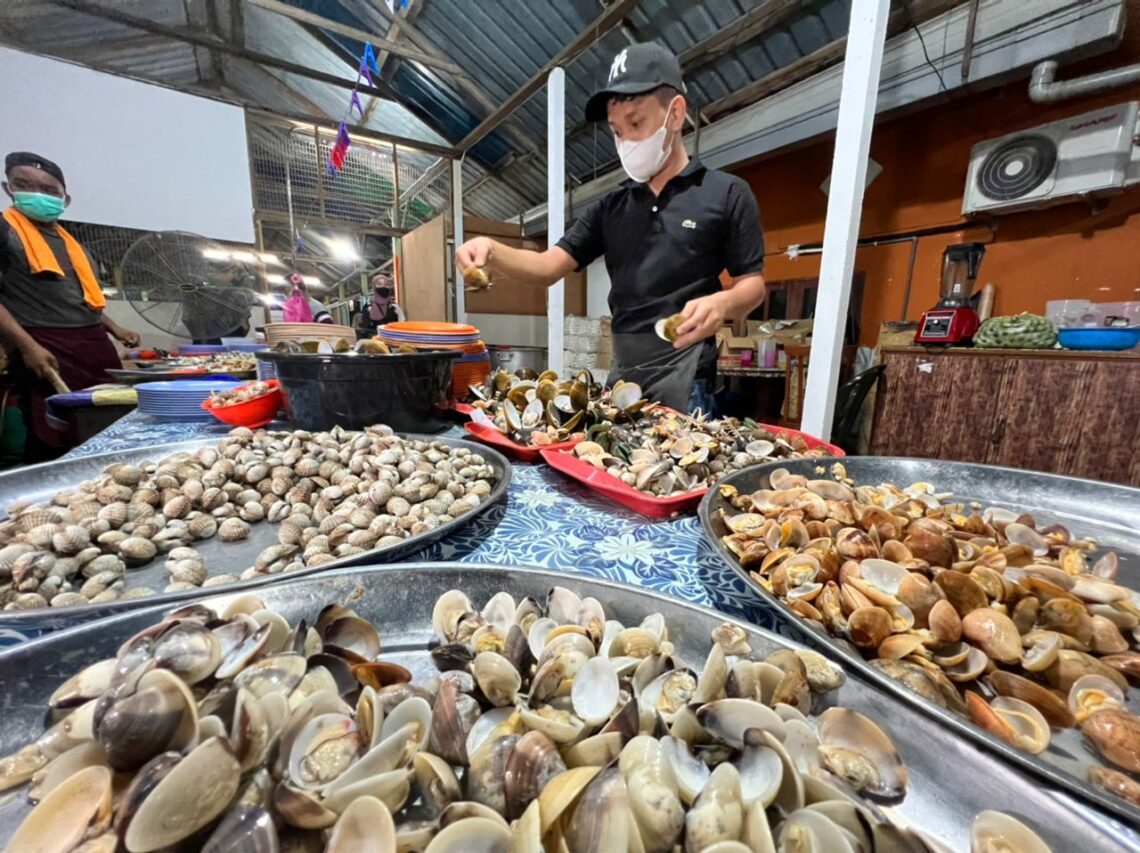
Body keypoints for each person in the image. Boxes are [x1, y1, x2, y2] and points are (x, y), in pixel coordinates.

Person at [456, 43, 766, 412]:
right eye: (617, 131)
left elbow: (754, 285)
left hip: (689, 375)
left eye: (636, 123)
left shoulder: (725, 192)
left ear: (676, 113)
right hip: (623, 371)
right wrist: (491, 248)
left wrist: (724, 301)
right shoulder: (611, 206)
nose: (626, 142)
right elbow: (548, 266)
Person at [0, 151, 139, 458]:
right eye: (26, 185)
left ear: (66, 199)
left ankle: (112, 468)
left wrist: (114, 327)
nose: (39, 196)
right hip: (45, 343)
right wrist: (26, 346)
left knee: (111, 415)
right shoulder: (5, 232)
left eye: (50, 191)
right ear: (8, 188)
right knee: (54, 426)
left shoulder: (73, 244)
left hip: (92, 342)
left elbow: (81, 298)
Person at [354, 273, 404, 338]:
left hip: (390, 345)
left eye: (386, 284)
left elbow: (402, 327)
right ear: (374, 287)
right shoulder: (367, 307)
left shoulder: (395, 308)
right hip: (371, 345)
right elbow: (363, 330)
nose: (383, 287)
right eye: (379, 284)